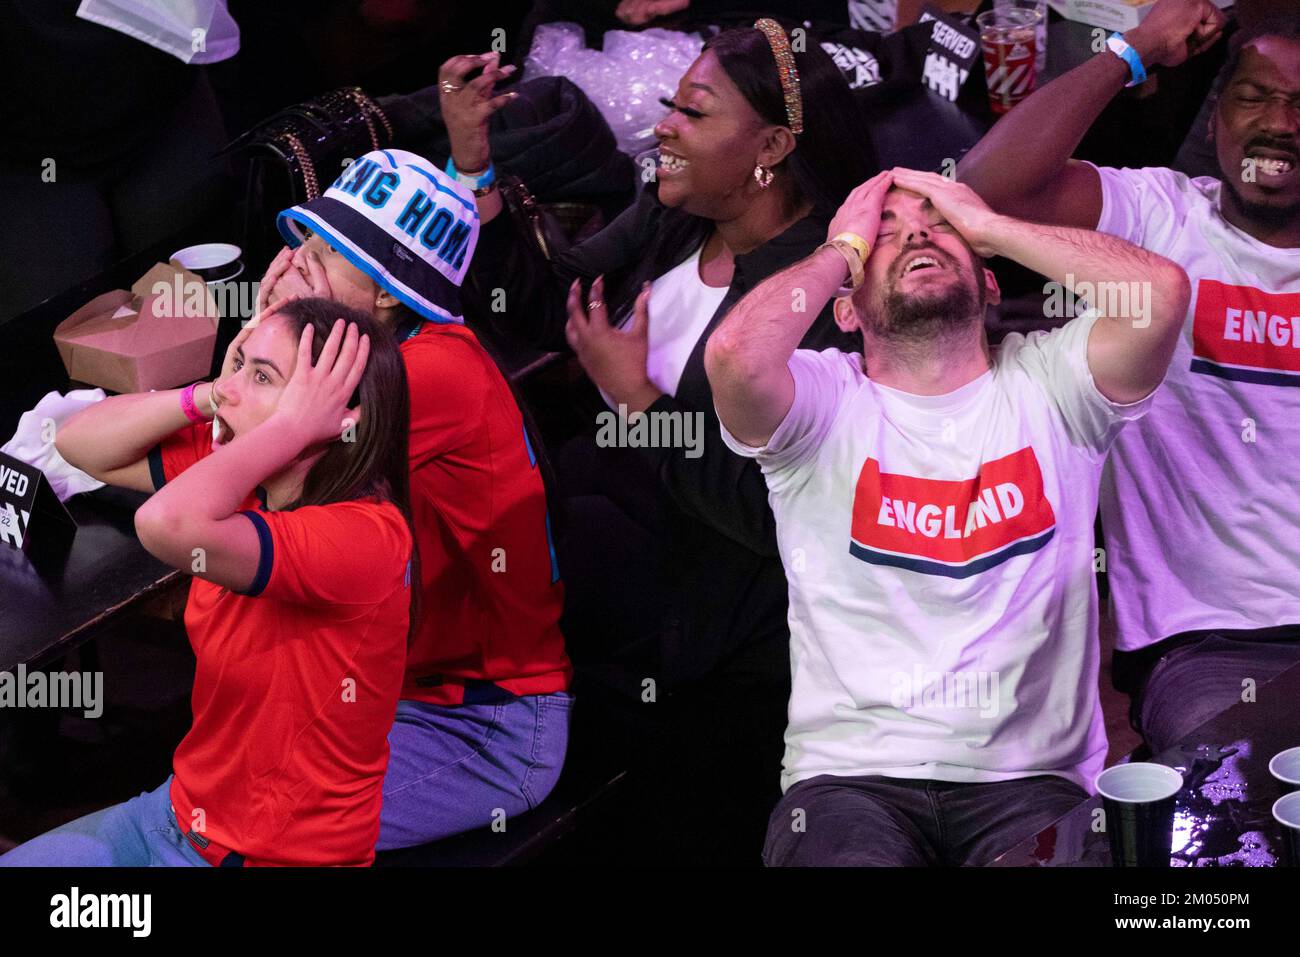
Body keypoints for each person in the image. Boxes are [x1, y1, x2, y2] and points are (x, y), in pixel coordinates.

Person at [440, 20, 879, 862]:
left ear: (774, 147)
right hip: (619, 581)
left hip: (726, 645)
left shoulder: (820, 298)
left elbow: (768, 513)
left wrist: (637, 398)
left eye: (694, 111)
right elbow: (552, 310)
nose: (664, 124)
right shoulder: (676, 218)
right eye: (670, 101)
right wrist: (474, 167)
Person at [705, 168, 1190, 866]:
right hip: (848, 783)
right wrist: (842, 244)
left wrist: (992, 225)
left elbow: (1161, 295)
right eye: (887, 235)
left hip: (1031, 786)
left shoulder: (1054, 385)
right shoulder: (822, 401)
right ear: (845, 309)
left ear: (990, 283)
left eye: (940, 226)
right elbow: (734, 357)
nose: (917, 235)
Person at [958, 0, 1300, 755]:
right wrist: (1135, 48)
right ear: (1214, 126)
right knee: (1239, 808)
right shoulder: (1159, 218)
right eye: (1253, 97)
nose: (1280, 121)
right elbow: (989, 184)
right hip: (1209, 641)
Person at [0, 299, 415, 866]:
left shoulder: (366, 537)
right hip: (176, 819)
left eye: (263, 377)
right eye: (237, 362)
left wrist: (291, 425)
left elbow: (163, 524)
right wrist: (209, 396)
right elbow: (75, 441)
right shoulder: (251, 478)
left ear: (338, 418)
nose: (232, 388)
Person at [250, 149, 572, 850]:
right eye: (301, 241)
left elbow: (262, 477)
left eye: (328, 252)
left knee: (256, 823)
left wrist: (262, 331)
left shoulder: (432, 372)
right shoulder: (377, 356)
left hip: (490, 728)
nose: (299, 264)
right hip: (395, 696)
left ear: (391, 292)